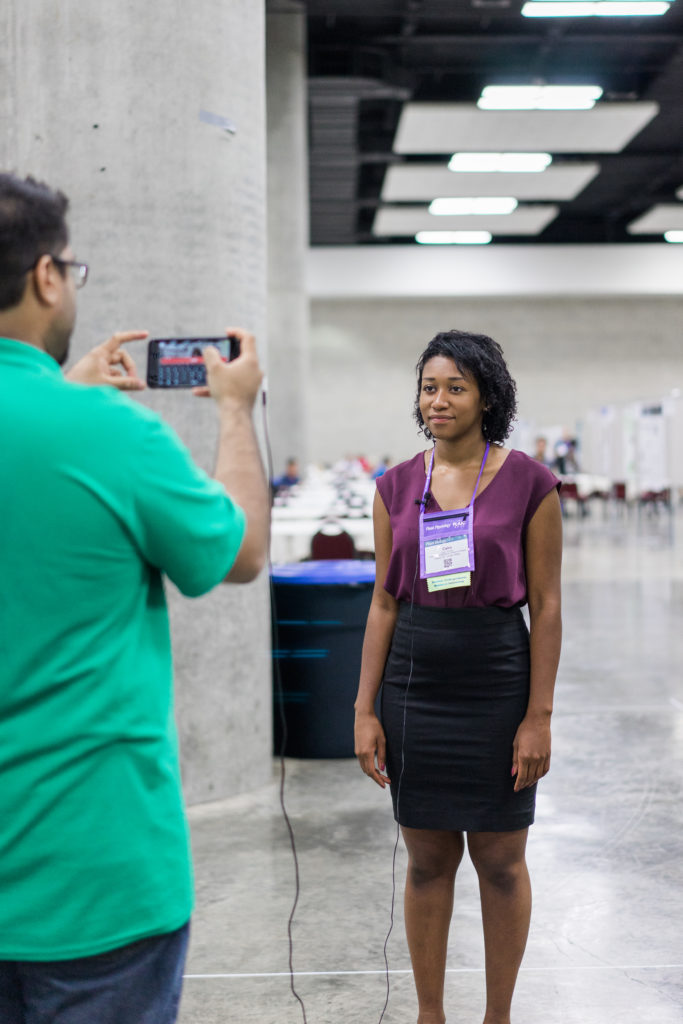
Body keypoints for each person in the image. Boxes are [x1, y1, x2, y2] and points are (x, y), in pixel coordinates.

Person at [0, 173, 269, 1024]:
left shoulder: (83, 423)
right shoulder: (110, 435)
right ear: (46, 276)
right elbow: (241, 550)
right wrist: (235, 412)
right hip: (92, 878)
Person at [354, 330, 562, 1024]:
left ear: (485, 398)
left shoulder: (530, 484)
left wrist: (538, 716)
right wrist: (364, 708)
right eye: (428, 387)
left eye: (454, 387)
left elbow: (548, 603)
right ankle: (429, 1014)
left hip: (497, 680)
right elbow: (383, 600)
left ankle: (496, 1015)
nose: (437, 400)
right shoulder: (394, 487)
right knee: (425, 864)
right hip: (415, 684)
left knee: (501, 863)